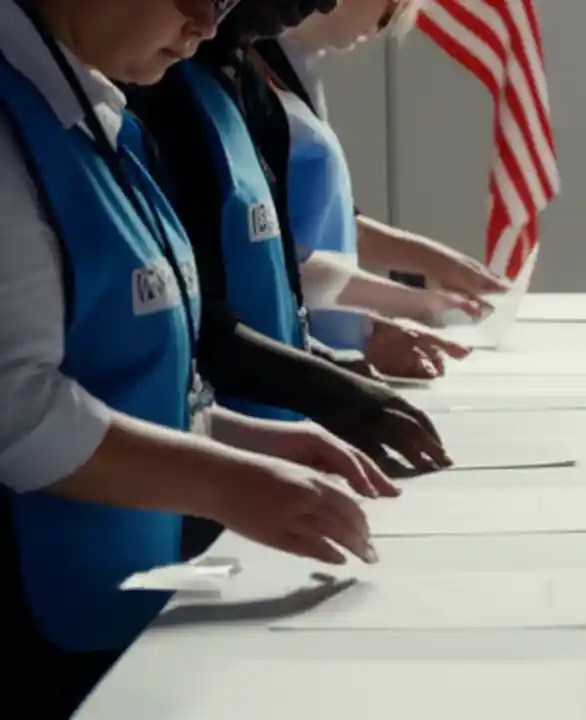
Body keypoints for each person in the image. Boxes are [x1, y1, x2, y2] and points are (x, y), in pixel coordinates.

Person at [0, 0, 394, 714]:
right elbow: (18, 413)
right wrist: (225, 481)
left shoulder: (100, 111)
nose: (208, 26)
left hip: (126, 600)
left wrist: (246, 438)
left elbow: (136, 372)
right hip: (37, 629)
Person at [125, 1, 456, 475]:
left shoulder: (243, 84)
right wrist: (323, 387)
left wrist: (329, 366)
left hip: (266, 455)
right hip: (202, 468)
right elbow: (194, 325)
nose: (323, 3)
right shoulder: (159, 91)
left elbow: (274, 281)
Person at [250, 0, 511, 367]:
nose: (383, 27)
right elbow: (280, 259)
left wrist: (440, 271)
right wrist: (416, 301)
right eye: (388, 10)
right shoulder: (249, 76)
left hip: (318, 348)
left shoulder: (297, 70)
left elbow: (335, 223)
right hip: (284, 354)